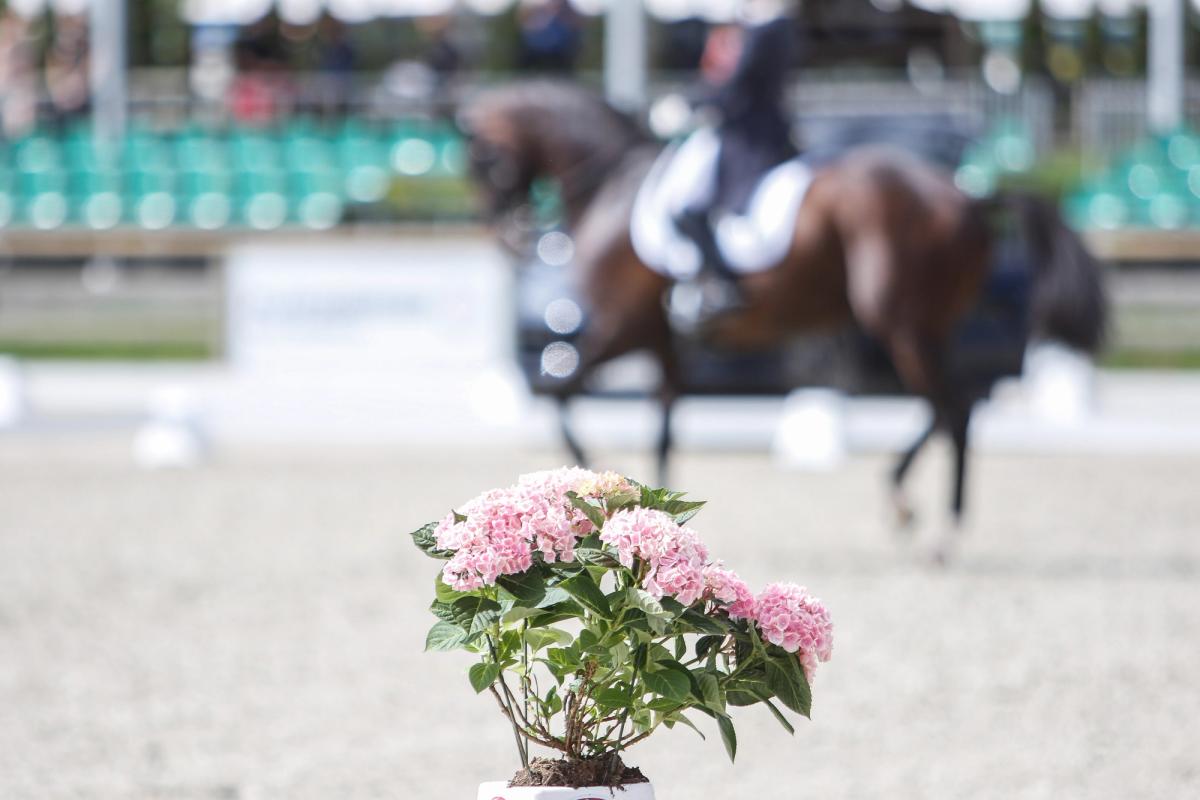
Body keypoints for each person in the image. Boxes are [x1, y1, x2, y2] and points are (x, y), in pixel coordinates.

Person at [669, 2, 798, 328]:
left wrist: (690, 103)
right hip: (757, 131)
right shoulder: (767, 28)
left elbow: (738, 84)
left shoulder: (769, 29)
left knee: (689, 206)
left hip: (750, 140)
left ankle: (722, 282)